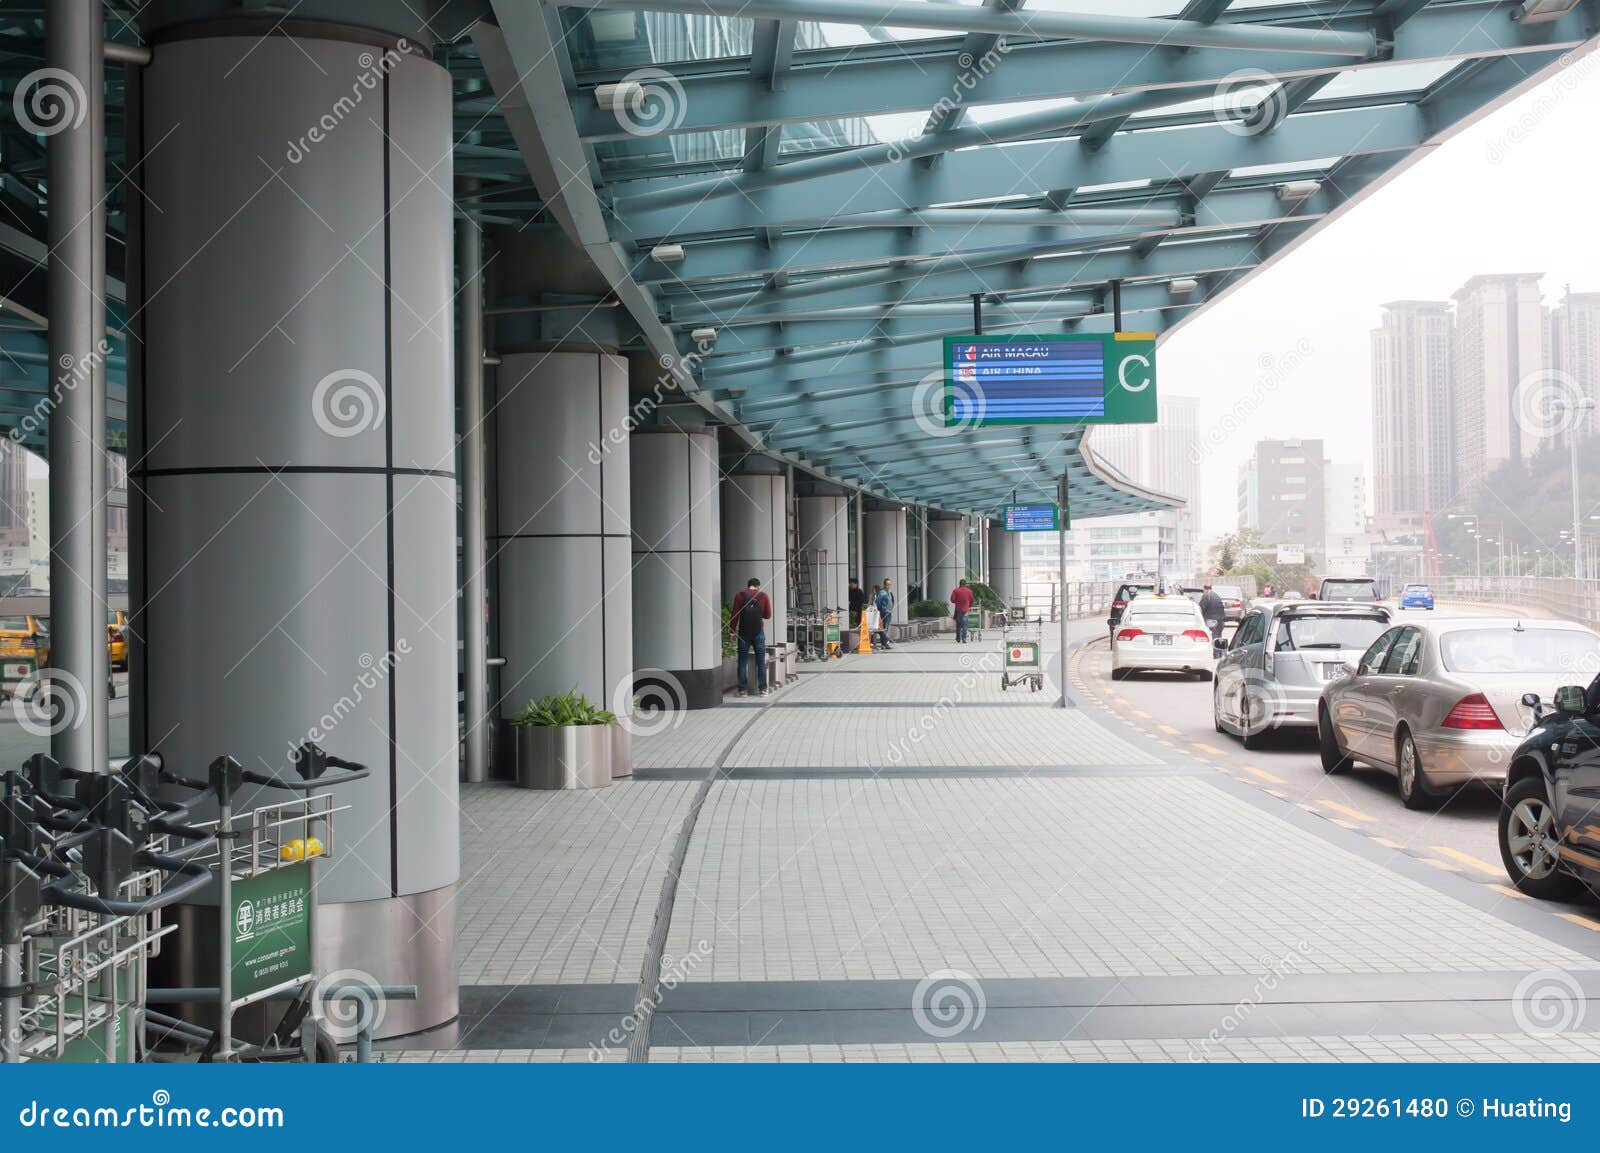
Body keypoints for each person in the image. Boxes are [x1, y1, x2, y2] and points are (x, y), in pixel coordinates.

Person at [729, 577, 772, 696]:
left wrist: (732, 632)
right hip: (759, 633)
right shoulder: (763, 596)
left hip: (743, 633)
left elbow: (734, 615)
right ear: (758, 586)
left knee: (742, 661)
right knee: (760, 661)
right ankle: (763, 689)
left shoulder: (739, 596)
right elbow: (768, 615)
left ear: (748, 586)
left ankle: (742, 690)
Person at [950, 578, 974, 644]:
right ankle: (964, 638)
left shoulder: (955, 590)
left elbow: (952, 600)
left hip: (958, 610)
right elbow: (972, 600)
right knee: (965, 624)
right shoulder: (969, 591)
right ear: (965, 584)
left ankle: (958, 638)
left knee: (958, 624)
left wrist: (957, 601)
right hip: (966, 610)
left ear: (959, 584)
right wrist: (969, 605)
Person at [872, 582, 893, 650]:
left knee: (882, 629)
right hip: (883, 613)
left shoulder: (883, 594)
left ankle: (884, 643)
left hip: (883, 613)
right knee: (882, 629)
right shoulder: (882, 594)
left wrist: (885, 609)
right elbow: (881, 604)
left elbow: (881, 603)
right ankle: (885, 643)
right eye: (888, 584)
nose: (889, 586)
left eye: (873, 590)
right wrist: (885, 609)